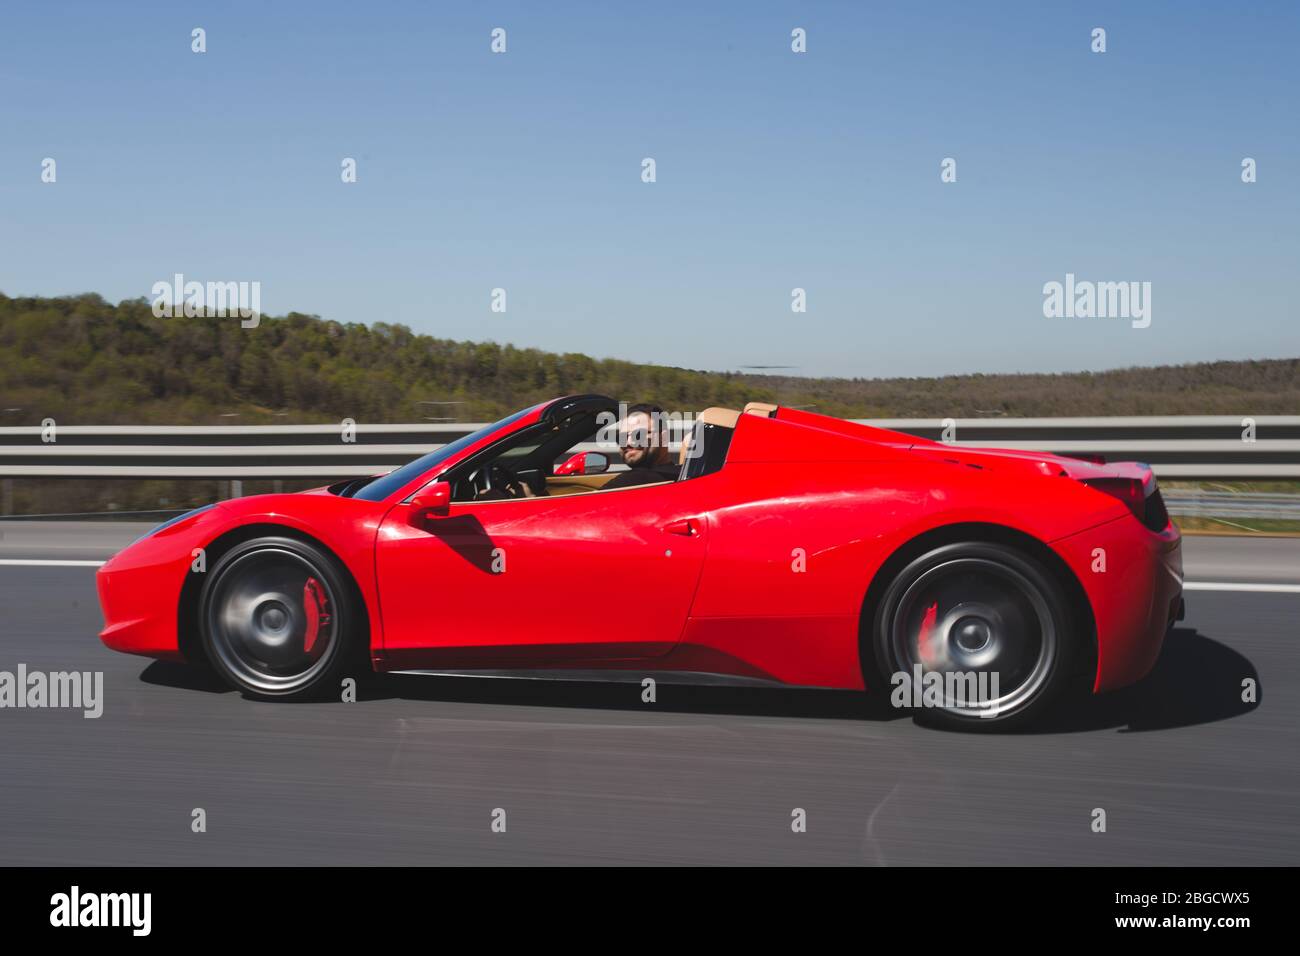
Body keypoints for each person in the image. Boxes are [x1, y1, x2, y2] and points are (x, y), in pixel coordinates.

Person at [601, 403, 680, 490]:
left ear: (664, 438)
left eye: (638, 435)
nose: (629, 442)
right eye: (622, 437)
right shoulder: (681, 475)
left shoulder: (630, 482)